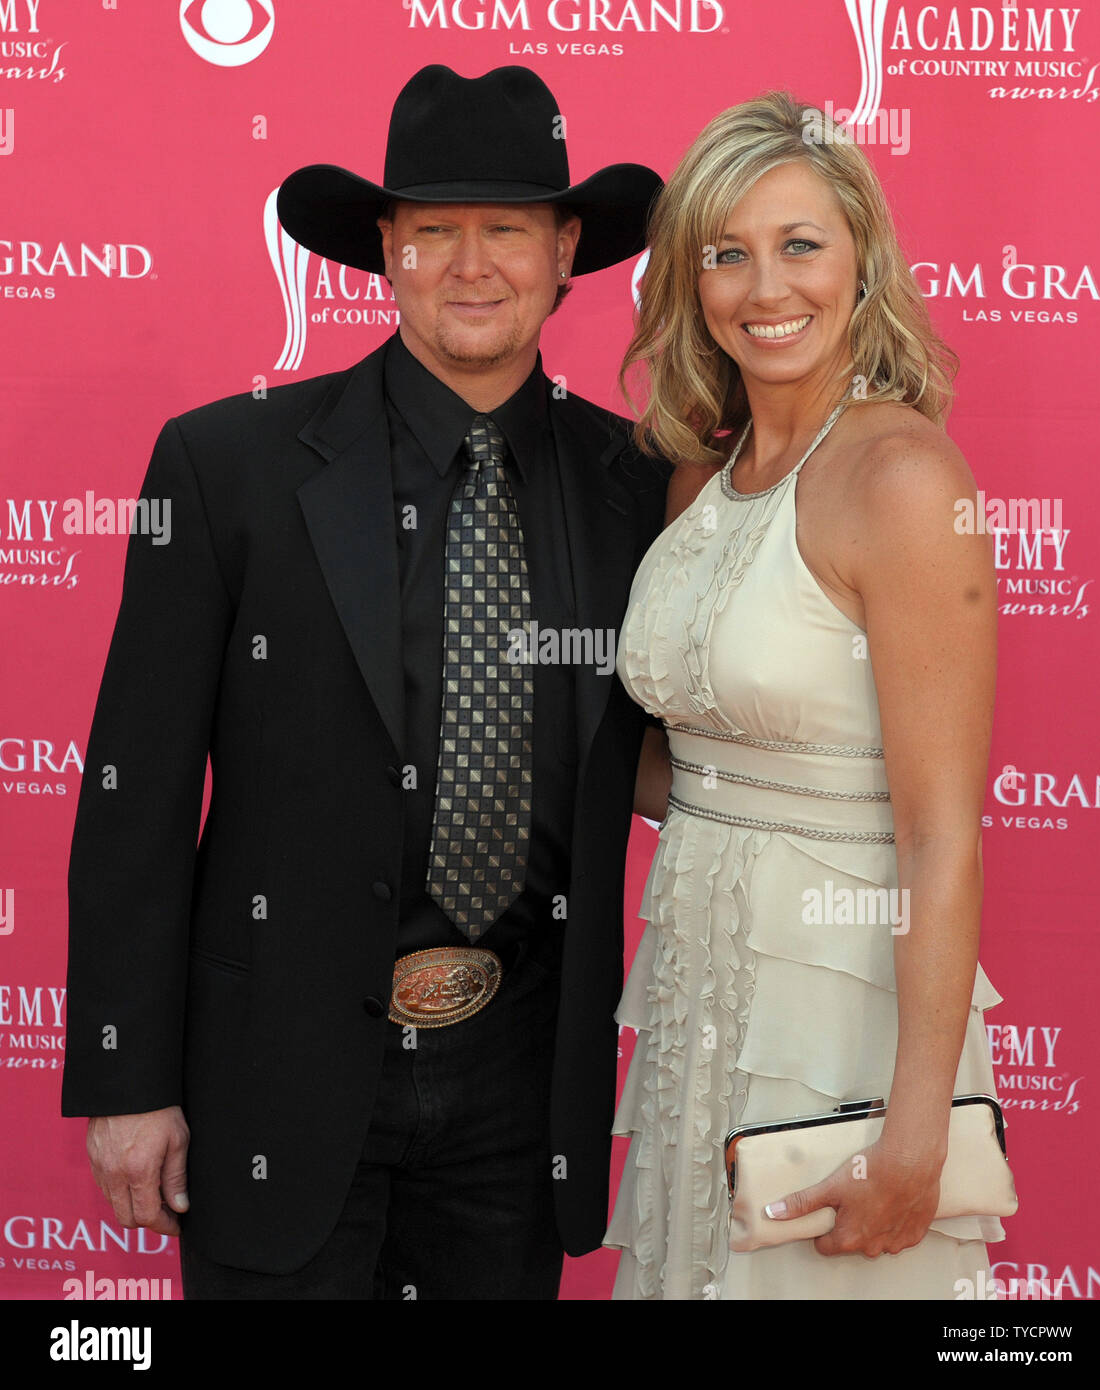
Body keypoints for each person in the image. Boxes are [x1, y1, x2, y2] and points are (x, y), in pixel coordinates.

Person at [61, 64, 666, 1300]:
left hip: (521, 1080)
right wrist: (128, 1080)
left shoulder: (637, 488)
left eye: (506, 230)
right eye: (434, 231)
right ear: (385, 251)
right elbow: (137, 789)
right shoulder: (227, 466)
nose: (472, 265)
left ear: (565, 253)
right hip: (276, 1071)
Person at [604, 92, 1007, 1299]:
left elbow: (943, 835)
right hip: (693, 991)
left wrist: (919, 1134)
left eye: (800, 244)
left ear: (861, 261)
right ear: (689, 280)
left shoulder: (901, 476)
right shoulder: (697, 476)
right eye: (726, 253)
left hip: (845, 1016)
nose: (764, 287)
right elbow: (685, 755)